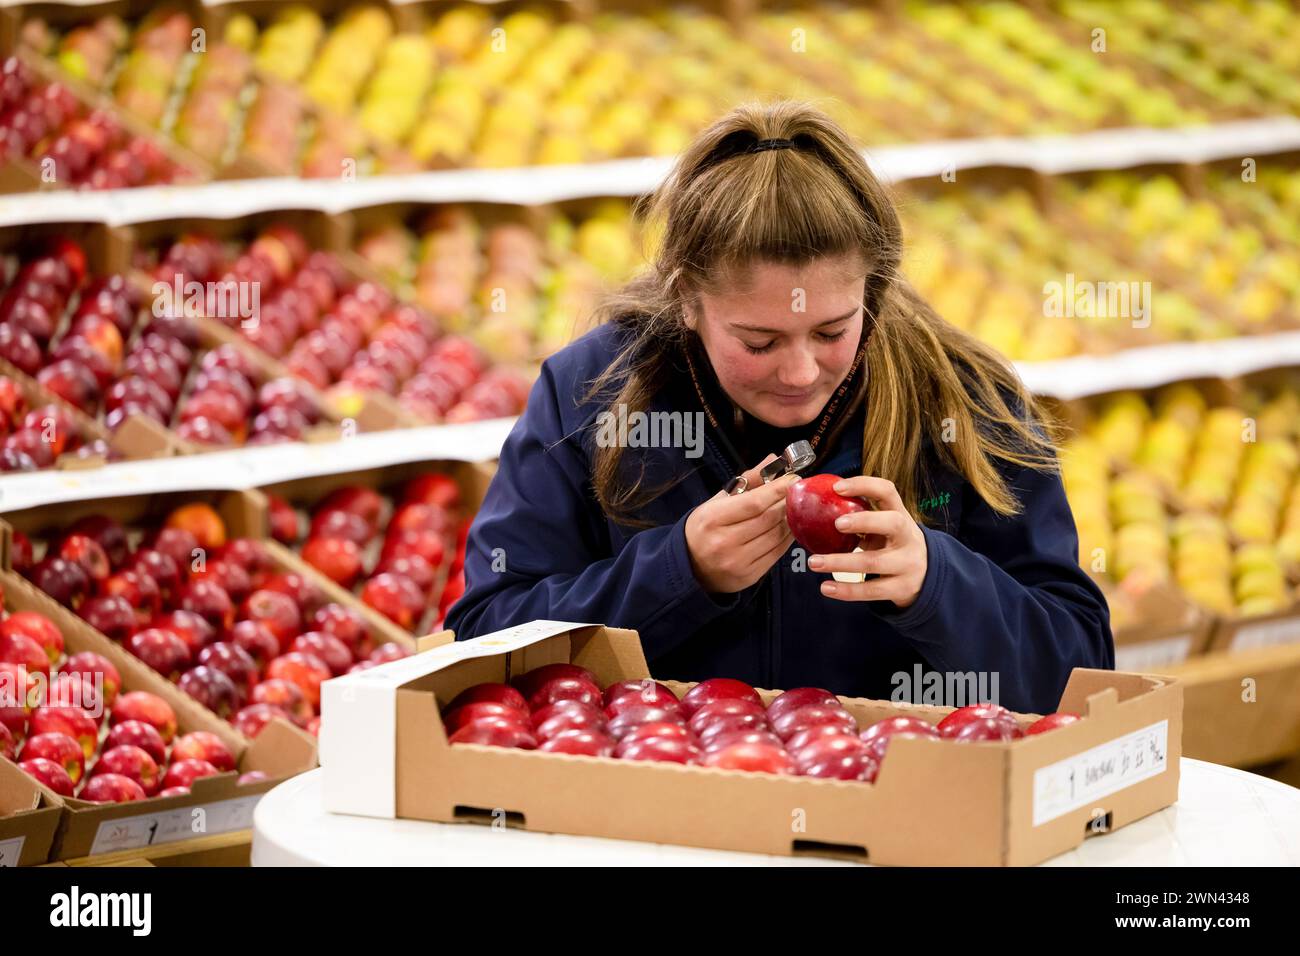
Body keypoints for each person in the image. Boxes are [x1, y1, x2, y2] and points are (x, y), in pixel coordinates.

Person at [445, 101, 1112, 714]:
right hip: (655, 806)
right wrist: (679, 570)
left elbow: (1082, 672)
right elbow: (484, 639)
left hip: (896, 812)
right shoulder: (592, 393)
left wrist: (937, 582)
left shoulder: (965, 401)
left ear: (872, 294)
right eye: (758, 341)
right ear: (686, 299)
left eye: (831, 332)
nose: (799, 373)